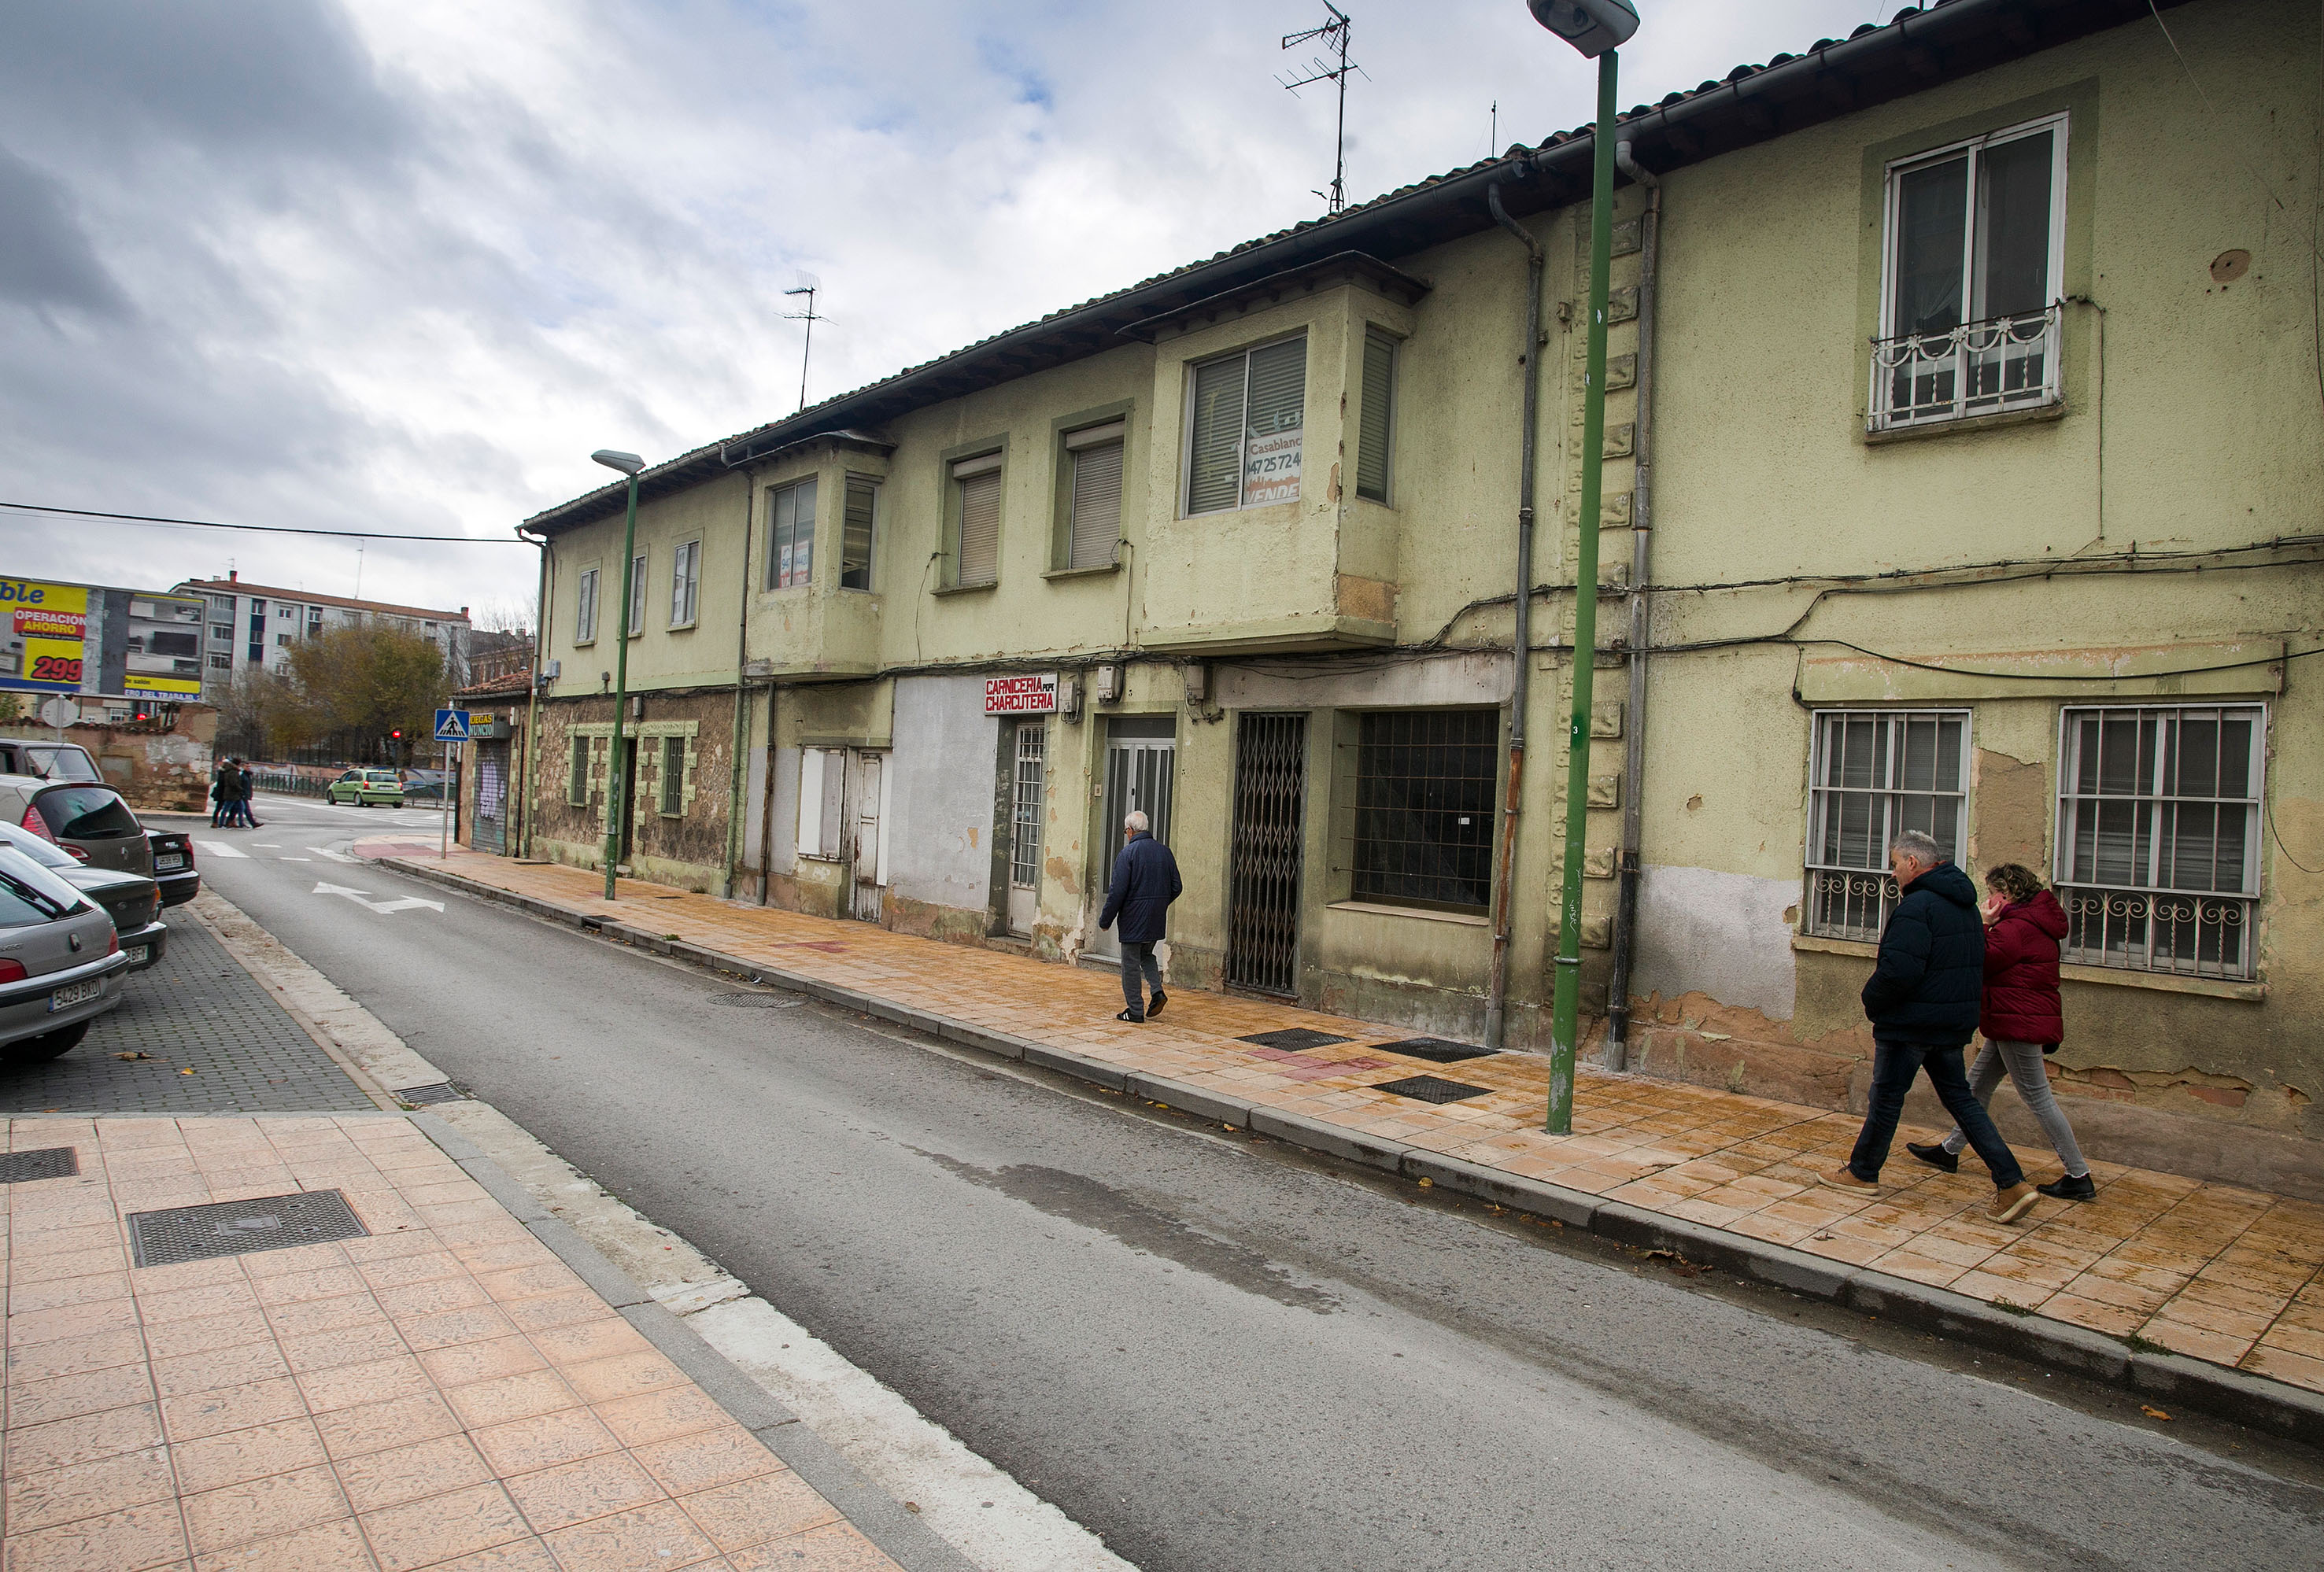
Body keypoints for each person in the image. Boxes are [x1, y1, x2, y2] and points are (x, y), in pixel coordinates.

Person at [1822, 829, 2038, 1224]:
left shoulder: (1917, 907)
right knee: (1962, 1100)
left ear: (1912, 863)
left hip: (1909, 1024)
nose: (1892, 874)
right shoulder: (1966, 907)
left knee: (1886, 1099)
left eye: (1894, 865)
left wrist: (1871, 999)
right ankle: (2012, 1182)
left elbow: (1900, 970)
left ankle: (1862, 1172)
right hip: (1948, 1026)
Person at [1908, 863, 2094, 1201]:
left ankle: (2078, 1173)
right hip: (2012, 1016)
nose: (1989, 897)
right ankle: (1950, 1150)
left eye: (1993, 892)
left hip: (2016, 1021)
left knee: (2037, 1097)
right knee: (1976, 1086)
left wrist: (1982, 925)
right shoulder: (2033, 921)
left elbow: (1981, 959)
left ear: (2006, 895)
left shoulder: (2017, 927)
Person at [1098, 810, 1181, 1024]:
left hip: (1133, 920)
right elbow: (1176, 887)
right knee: (1146, 955)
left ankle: (1135, 1010)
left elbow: (1117, 892)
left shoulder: (1128, 854)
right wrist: (1159, 903)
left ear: (1131, 830)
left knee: (1131, 964)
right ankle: (1157, 991)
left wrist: (1106, 920)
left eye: (1126, 830)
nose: (1126, 834)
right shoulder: (1165, 852)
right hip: (1155, 918)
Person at [238, 759, 264, 828]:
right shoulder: (242, 775)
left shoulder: (247, 775)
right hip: (242, 795)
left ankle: (250, 823)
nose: (248, 768)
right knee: (245, 810)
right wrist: (242, 793)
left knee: (240, 810)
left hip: (245, 795)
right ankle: (251, 823)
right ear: (243, 767)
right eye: (247, 766)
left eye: (249, 767)